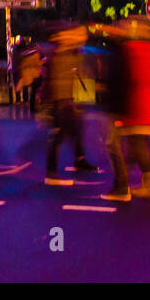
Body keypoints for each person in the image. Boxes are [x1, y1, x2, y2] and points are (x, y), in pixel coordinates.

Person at [100, 17, 150, 202]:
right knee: (137, 144)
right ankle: (145, 184)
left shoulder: (133, 49)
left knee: (124, 144)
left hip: (136, 104)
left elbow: (127, 79)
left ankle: (125, 186)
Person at [42, 21, 97, 185]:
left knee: (76, 129)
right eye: (81, 34)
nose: (84, 37)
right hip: (61, 102)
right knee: (58, 136)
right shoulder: (60, 52)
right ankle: (51, 173)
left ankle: (79, 159)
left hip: (68, 101)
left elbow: (80, 76)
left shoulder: (74, 52)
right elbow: (56, 79)